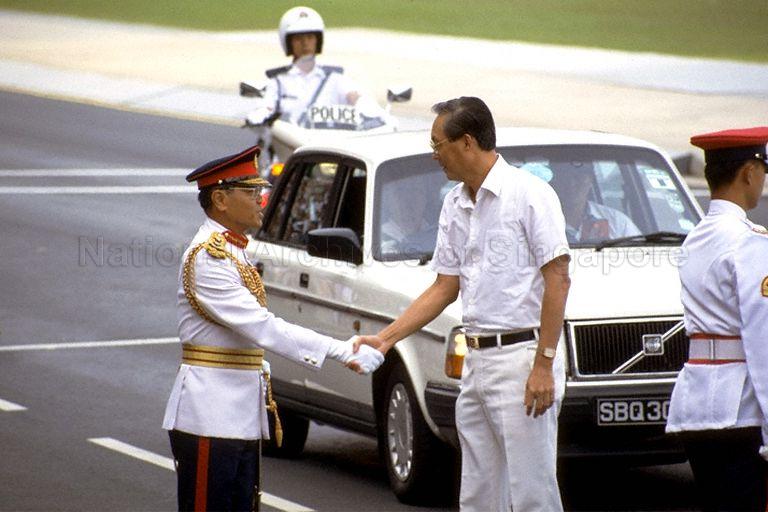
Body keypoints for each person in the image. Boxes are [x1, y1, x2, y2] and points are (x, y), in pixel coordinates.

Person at [358, 97, 571, 511]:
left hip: (522, 360)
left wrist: (544, 364)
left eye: (437, 144)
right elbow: (444, 286)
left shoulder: (529, 195)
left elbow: (558, 279)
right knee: (477, 494)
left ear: (467, 142)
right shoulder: (455, 203)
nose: (434, 154)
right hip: (476, 362)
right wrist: (385, 340)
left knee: (533, 493)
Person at [162, 145, 384, 511]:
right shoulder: (208, 258)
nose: (261, 199)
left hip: (237, 415)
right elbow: (264, 327)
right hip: (209, 416)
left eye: (259, 190)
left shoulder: (234, 250)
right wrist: (340, 350)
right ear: (220, 199)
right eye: (250, 191)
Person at [665, 127, 768, 511]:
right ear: (748, 173)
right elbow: (762, 338)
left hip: (695, 402)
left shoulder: (695, 238)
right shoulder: (750, 242)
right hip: (741, 409)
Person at [246, 6, 362, 127]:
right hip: (289, 137)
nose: (305, 43)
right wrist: (260, 114)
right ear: (289, 43)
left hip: (328, 137)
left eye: (310, 37)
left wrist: (364, 107)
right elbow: (266, 107)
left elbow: (356, 98)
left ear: (318, 41)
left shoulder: (334, 78)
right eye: (298, 39)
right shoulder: (278, 81)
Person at [544, 161, 641, 242]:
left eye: (578, 177)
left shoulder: (618, 223)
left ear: (591, 180)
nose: (571, 184)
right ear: (553, 182)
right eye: (564, 177)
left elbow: (641, 254)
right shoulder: (539, 221)